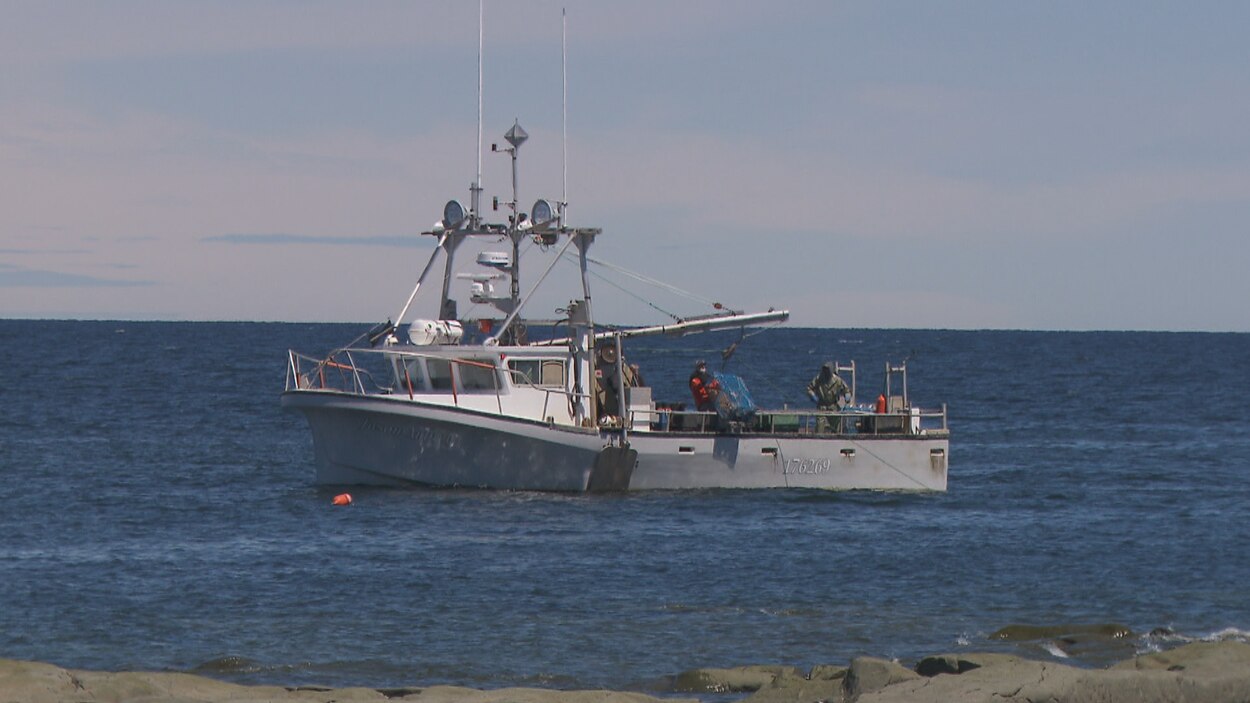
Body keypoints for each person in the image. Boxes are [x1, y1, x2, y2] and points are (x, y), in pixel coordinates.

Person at [807, 362, 849, 432]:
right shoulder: (819, 378)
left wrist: (847, 395)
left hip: (833, 406)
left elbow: (846, 389)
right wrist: (813, 396)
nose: (826, 372)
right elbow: (809, 388)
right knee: (820, 427)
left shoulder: (837, 380)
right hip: (822, 406)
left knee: (837, 427)